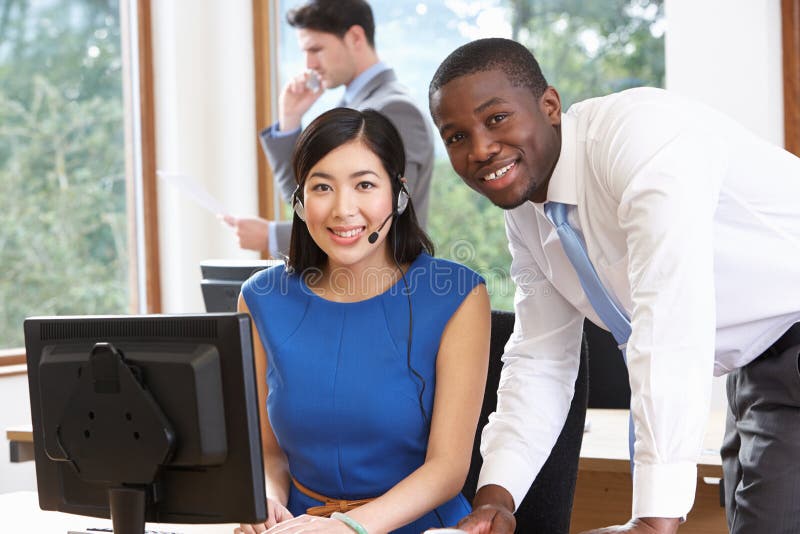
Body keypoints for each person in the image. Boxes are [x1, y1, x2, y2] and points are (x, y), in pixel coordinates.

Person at [427, 37, 800, 534]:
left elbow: (669, 322)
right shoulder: (529, 218)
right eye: (455, 137)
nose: (480, 148)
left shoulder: (641, 139)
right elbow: (541, 357)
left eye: (496, 118)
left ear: (550, 106)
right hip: (755, 362)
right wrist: (496, 500)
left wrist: (652, 521)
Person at [236, 107, 490, 534]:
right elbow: (268, 451)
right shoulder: (260, 298)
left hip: (419, 526)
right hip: (299, 527)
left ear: (398, 193)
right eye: (322, 187)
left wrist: (349, 527)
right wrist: (267, 499)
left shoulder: (458, 294)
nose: (343, 209)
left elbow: (448, 468)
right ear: (299, 200)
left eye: (365, 185)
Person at [224, 0, 435, 259]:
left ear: (355, 37)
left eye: (316, 49)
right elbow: (304, 197)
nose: (309, 64)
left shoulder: (394, 110)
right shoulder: (353, 106)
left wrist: (271, 236)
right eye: (305, 52)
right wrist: (290, 118)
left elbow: (390, 217)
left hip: (386, 285)